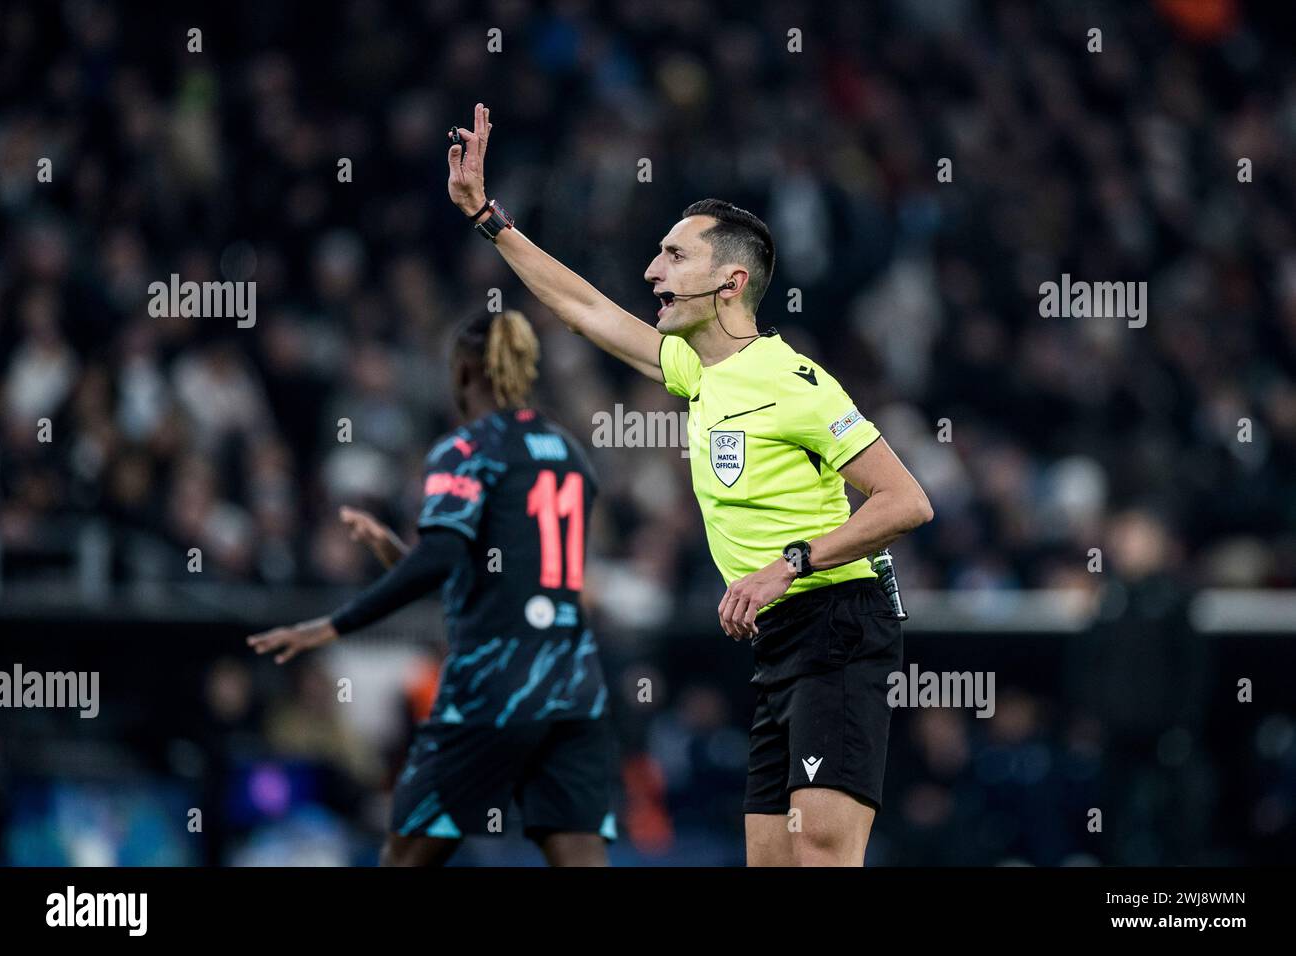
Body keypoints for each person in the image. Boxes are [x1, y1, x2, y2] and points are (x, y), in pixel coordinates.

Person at [446, 103, 933, 866]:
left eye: (674, 257)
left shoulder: (796, 381)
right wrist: (487, 218)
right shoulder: (696, 371)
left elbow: (908, 500)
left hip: (840, 621)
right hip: (779, 639)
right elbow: (584, 310)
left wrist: (789, 565)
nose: (652, 271)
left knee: (823, 856)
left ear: (731, 282)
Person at [247, 309, 616, 866]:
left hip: (495, 682)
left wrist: (331, 625)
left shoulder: (466, 450)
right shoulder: (570, 455)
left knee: (405, 856)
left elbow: (442, 560)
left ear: (465, 372)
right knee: (580, 857)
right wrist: (397, 552)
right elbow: (494, 576)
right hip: (572, 680)